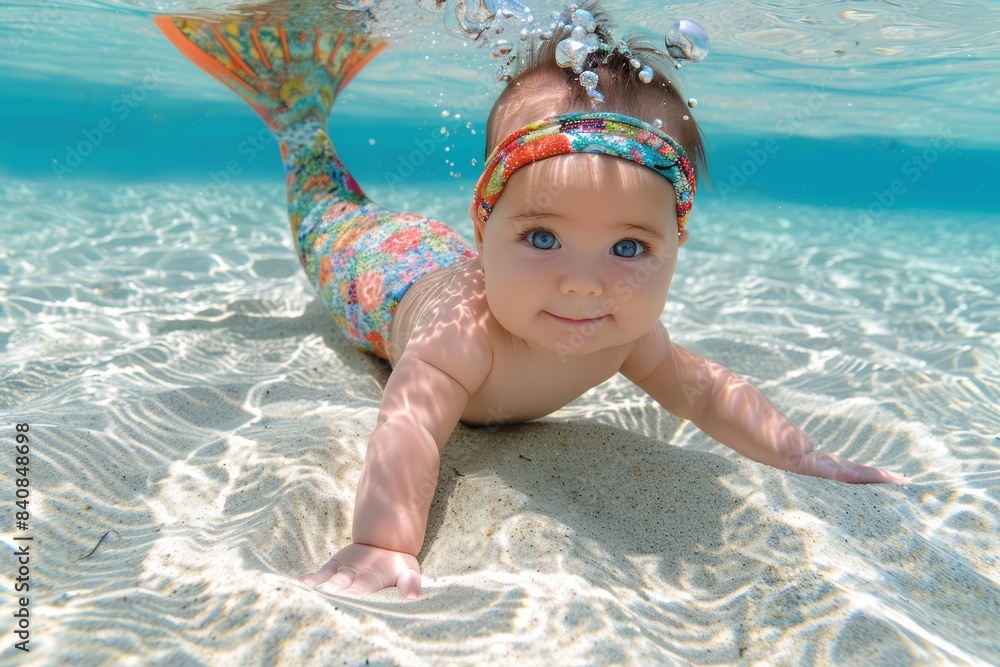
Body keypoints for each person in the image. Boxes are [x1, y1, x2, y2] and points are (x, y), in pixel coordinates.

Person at [155, 0, 907, 600]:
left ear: (677, 244)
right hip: (382, 271)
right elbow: (409, 426)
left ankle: (305, 105)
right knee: (329, 220)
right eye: (543, 237)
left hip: (443, 257)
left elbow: (710, 394)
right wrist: (384, 541)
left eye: (628, 248)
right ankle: (297, 114)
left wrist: (811, 458)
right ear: (487, 228)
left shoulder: (627, 335)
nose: (584, 283)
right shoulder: (466, 338)